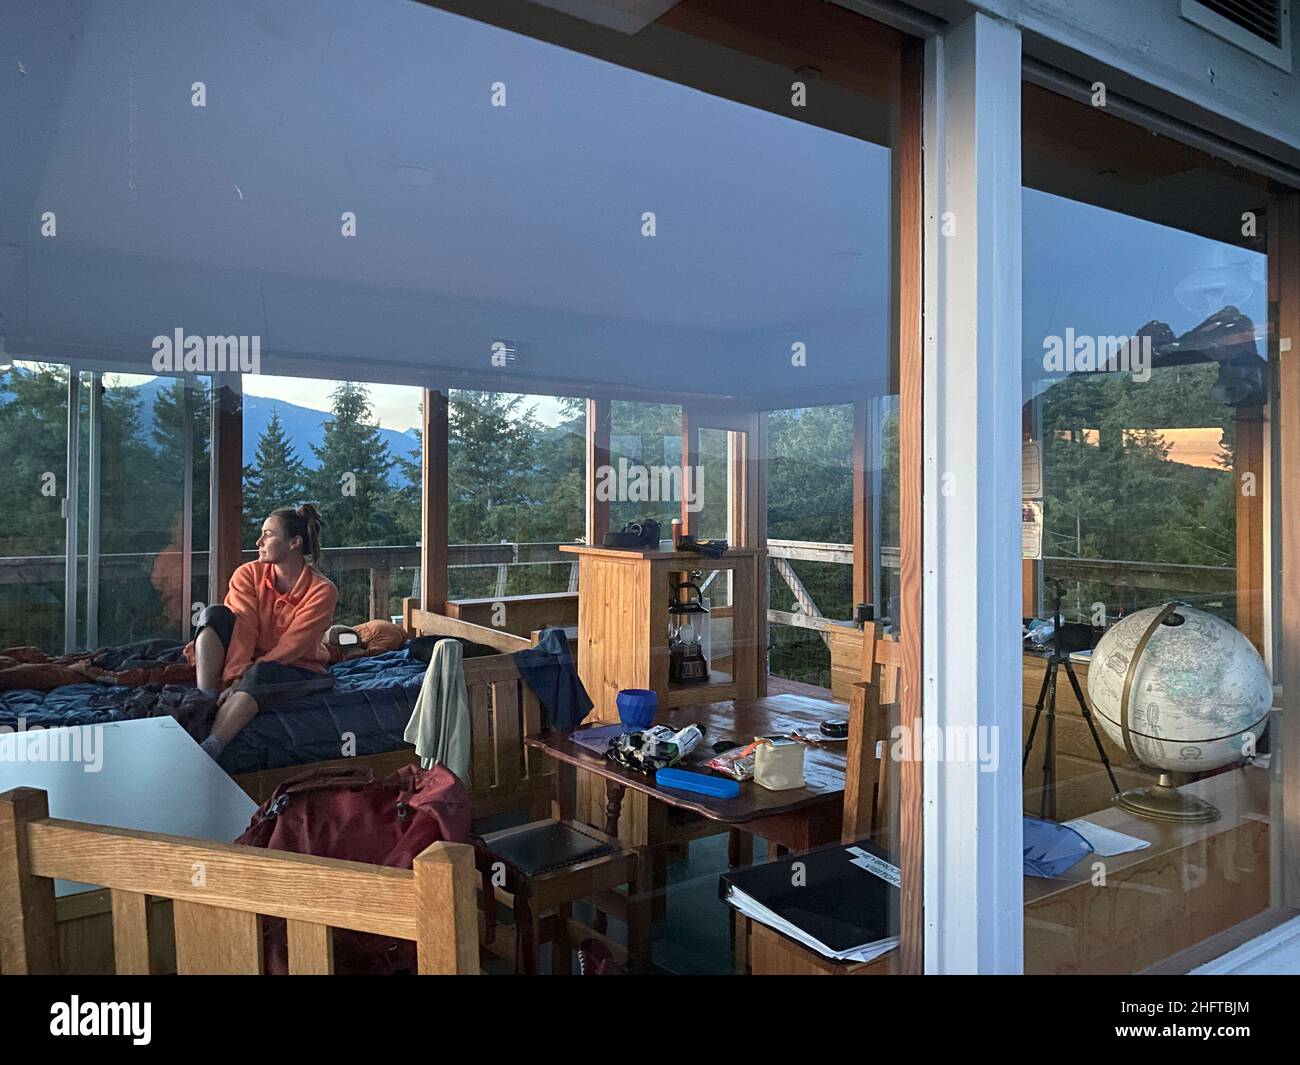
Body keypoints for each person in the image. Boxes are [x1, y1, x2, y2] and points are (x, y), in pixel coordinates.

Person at [187, 503, 338, 760]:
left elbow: (293, 646)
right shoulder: (248, 573)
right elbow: (243, 628)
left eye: (268, 534)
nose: (258, 541)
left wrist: (243, 680)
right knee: (213, 615)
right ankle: (206, 698)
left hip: (297, 666)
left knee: (263, 673)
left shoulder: (322, 590)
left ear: (294, 542)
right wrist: (233, 677)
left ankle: (211, 747)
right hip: (245, 658)